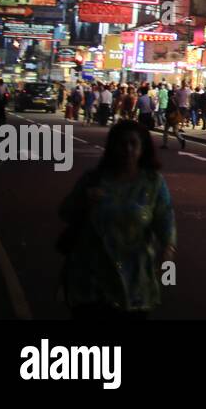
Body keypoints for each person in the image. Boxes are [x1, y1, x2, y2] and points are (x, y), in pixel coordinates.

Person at [58, 120, 176, 318]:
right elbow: (65, 212)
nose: (127, 149)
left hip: (134, 280)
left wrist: (167, 261)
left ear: (142, 148)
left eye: (133, 144)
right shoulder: (94, 179)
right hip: (91, 278)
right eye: (122, 144)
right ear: (112, 147)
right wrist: (83, 201)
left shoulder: (153, 183)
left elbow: (165, 222)